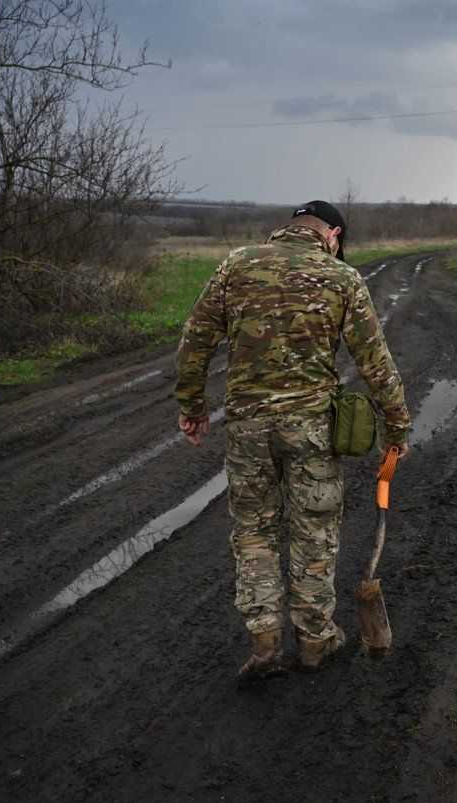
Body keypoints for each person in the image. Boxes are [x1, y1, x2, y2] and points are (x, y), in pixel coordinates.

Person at [174, 199, 411, 681]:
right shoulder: (342, 278)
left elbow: (195, 339)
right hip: (312, 430)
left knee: (255, 531)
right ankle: (315, 640)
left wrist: (193, 407)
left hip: (247, 429)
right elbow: (375, 362)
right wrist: (397, 426)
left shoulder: (235, 265)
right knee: (315, 529)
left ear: (289, 229)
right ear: (334, 235)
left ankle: (265, 642)